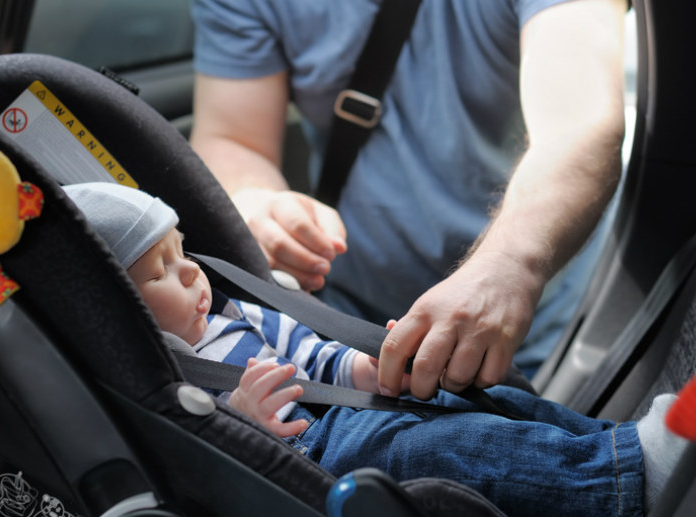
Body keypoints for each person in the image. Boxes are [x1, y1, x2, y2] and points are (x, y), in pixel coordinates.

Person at [64, 182, 685, 517]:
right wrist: (247, 420)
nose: (191, 276)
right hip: (313, 449)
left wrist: (364, 367)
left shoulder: (235, 312)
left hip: (349, 406)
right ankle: (626, 482)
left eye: (183, 254)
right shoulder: (165, 372)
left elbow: (309, 353)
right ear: (123, 306)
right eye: (159, 274)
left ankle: (616, 445)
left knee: (487, 400)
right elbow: (204, 449)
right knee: (444, 448)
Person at [187, 0, 628, 397]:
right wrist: (255, 199)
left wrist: (510, 265)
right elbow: (233, 138)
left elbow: (580, 125)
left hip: (540, 324)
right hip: (350, 325)